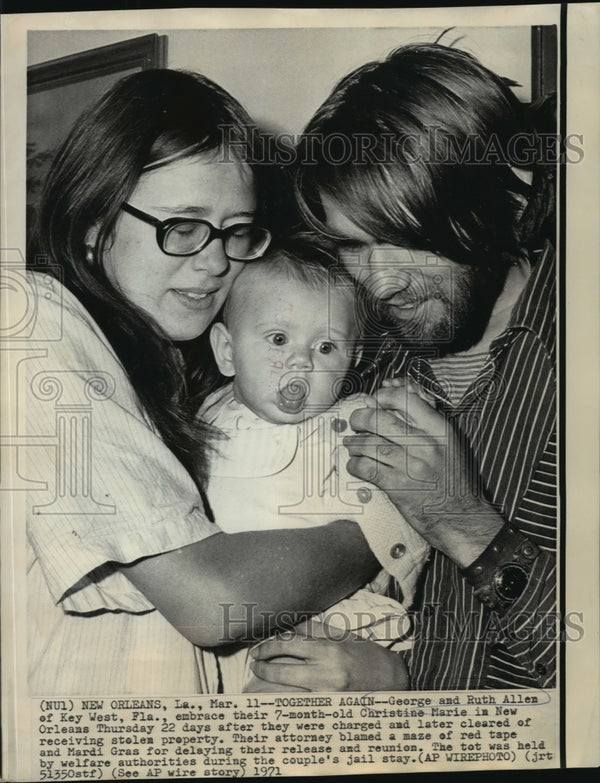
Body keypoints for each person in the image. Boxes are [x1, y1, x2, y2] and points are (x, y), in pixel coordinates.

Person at [21, 68, 388, 695]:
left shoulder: (182, 373)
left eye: (235, 230)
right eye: (183, 227)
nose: (217, 260)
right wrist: (383, 529)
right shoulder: (29, 317)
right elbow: (212, 601)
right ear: (93, 223)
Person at [251, 43, 557, 691]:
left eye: (408, 238)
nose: (381, 282)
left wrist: (465, 523)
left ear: (505, 200)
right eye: (354, 244)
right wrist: (397, 682)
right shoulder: (348, 365)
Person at [196, 243, 430, 692]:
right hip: (219, 618)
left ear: (351, 361)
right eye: (278, 339)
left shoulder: (354, 421)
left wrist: (404, 417)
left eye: (326, 347)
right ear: (227, 351)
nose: (302, 361)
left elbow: (408, 501)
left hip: (322, 621)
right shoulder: (204, 418)